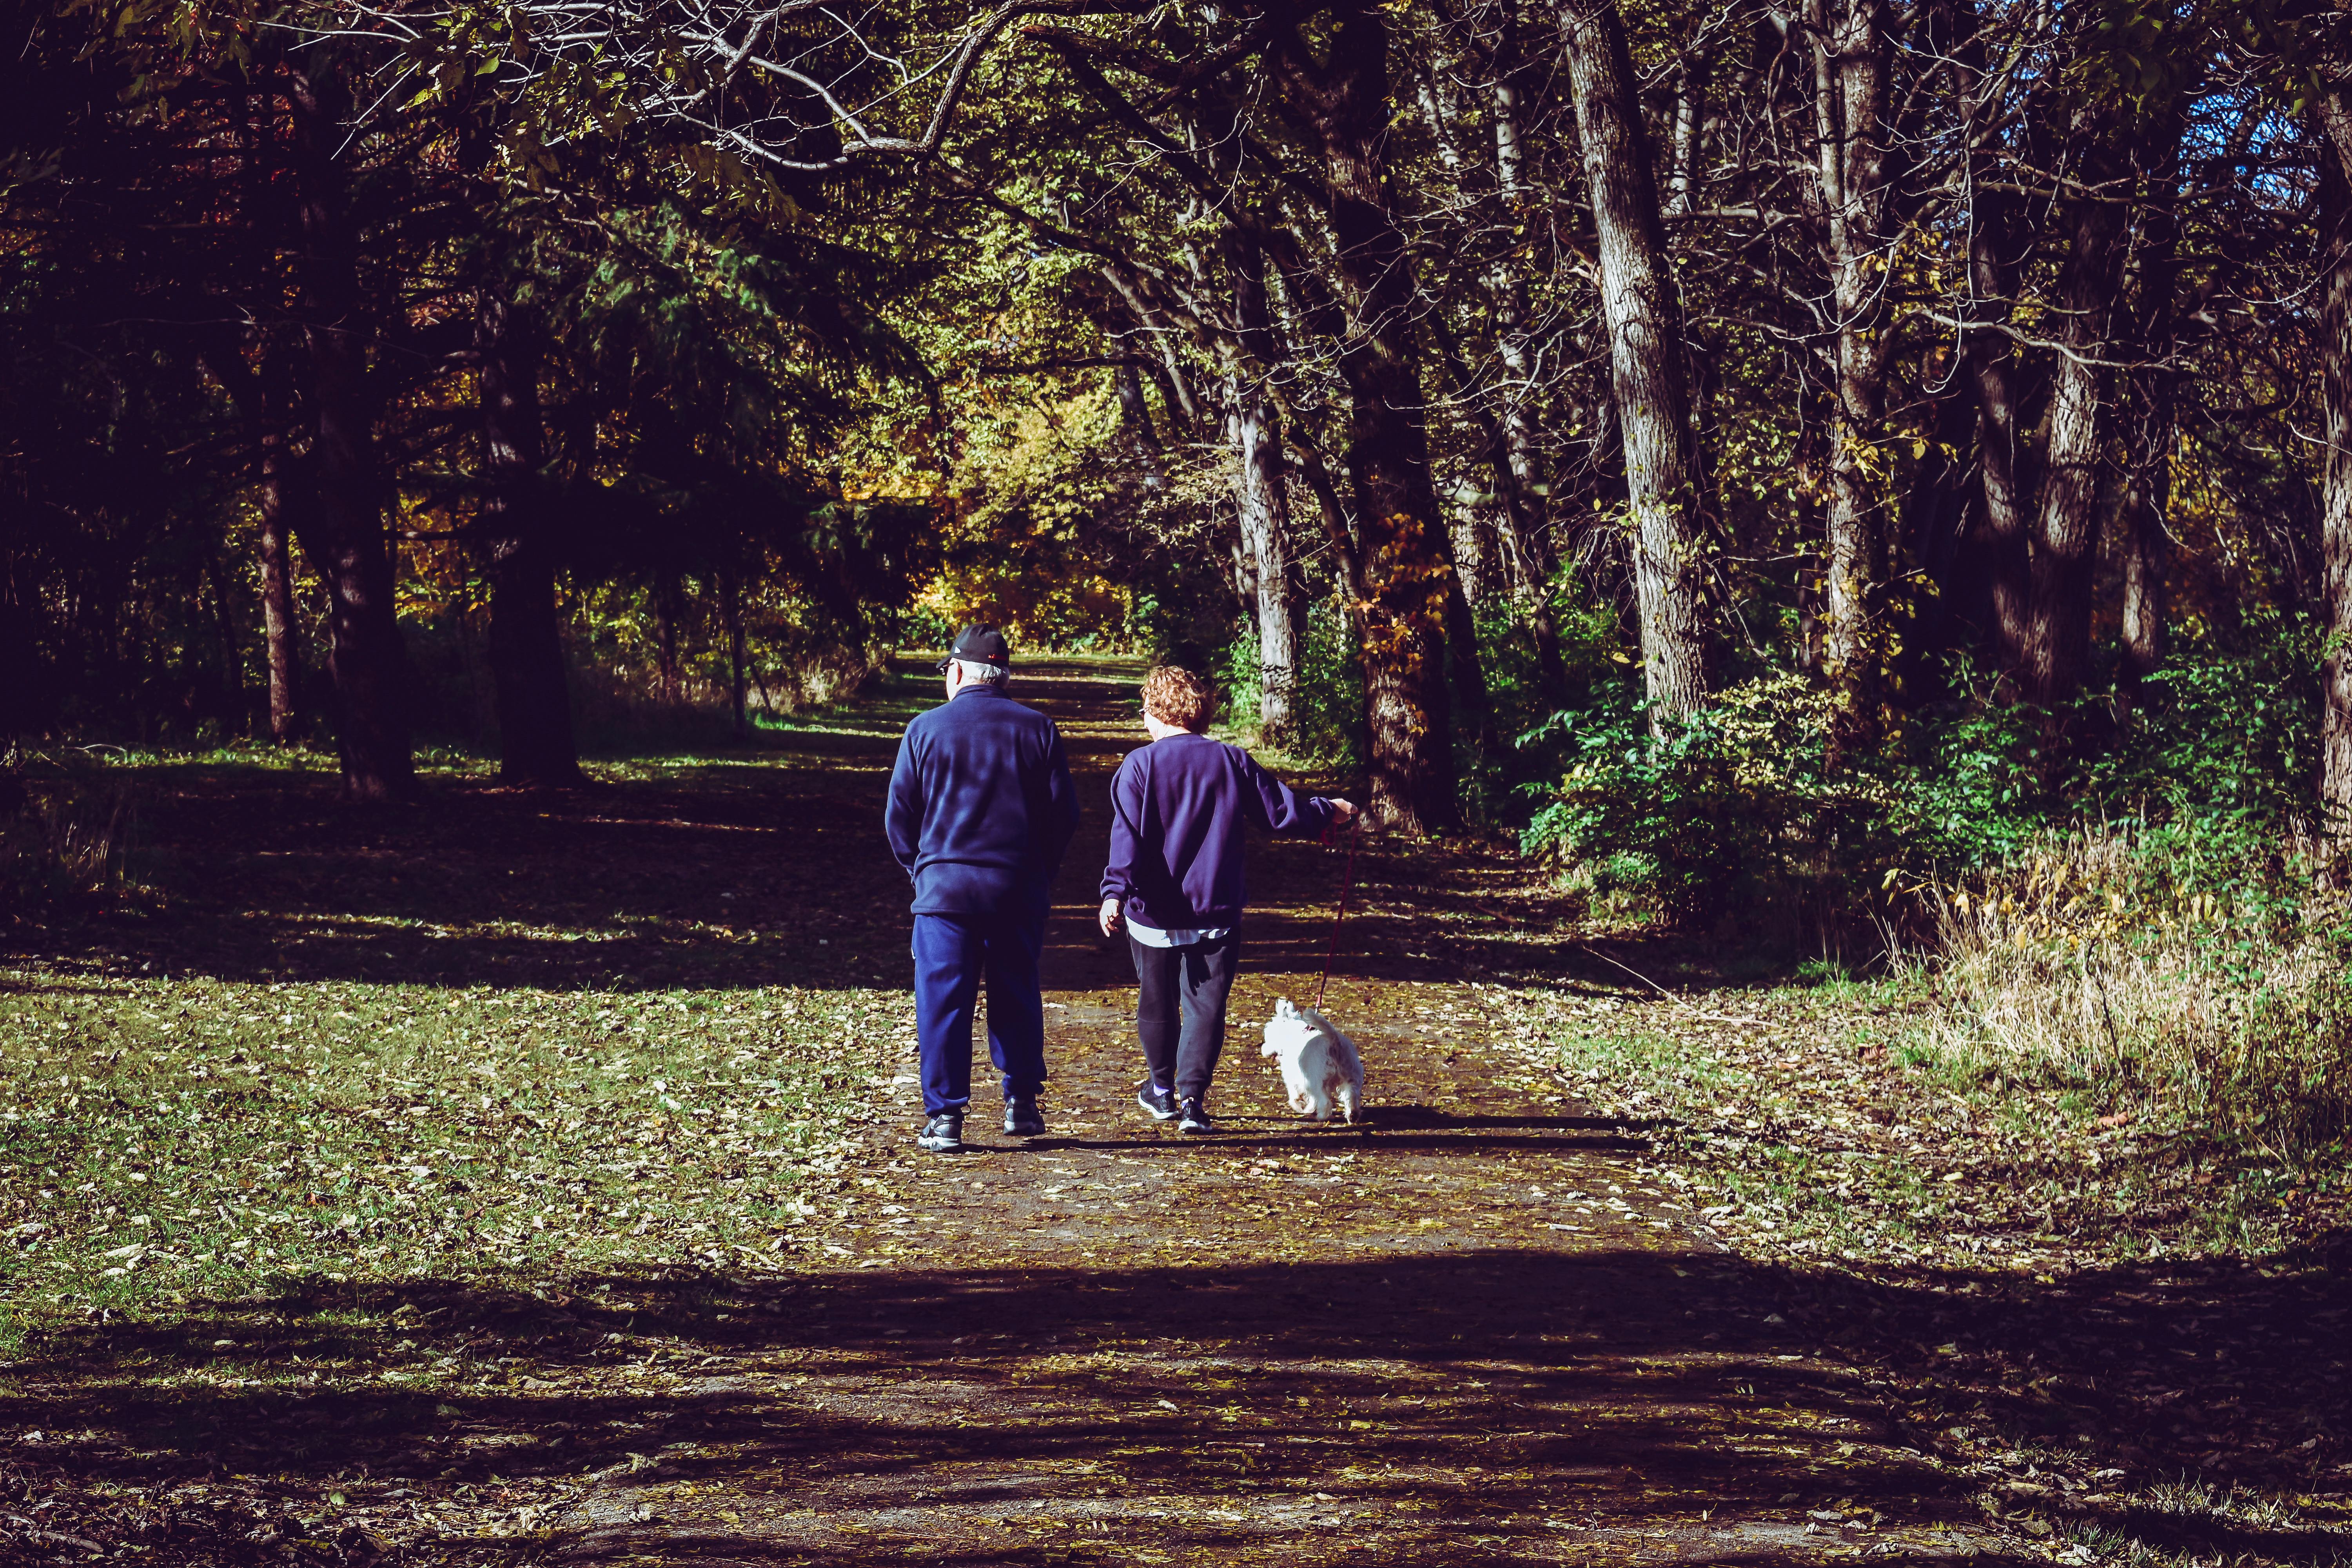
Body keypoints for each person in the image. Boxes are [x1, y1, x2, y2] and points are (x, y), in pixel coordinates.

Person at [1098, 665, 1356, 1135]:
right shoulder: (1230, 760)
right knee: (1205, 1008)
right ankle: (1193, 1100)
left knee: (1156, 1003)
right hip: (1215, 910)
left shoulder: (1140, 765)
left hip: (1152, 913)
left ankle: (1161, 1091)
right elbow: (1280, 811)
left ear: (1155, 712)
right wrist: (1328, 814)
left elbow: (1126, 839)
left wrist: (1114, 892)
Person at [885, 626, 1079, 1154]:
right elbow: (1064, 815)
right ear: (1004, 676)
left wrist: (921, 871)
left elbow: (899, 817)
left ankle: (945, 1117)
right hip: (1016, 887)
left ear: (955, 672)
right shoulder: (1038, 728)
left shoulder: (924, 730)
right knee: (1017, 992)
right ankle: (1022, 1103)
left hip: (945, 892)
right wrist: (1038, 869)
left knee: (943, 1002)